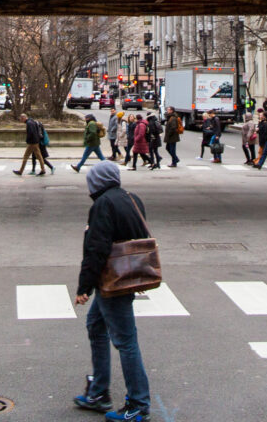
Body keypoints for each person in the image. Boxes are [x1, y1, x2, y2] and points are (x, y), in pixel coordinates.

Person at [72, 161, 152, 421]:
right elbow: (137, 235)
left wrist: (84, 287)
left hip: (112, 282)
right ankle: (98, 393)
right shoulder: (132, 198)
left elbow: (97, 249)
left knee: (126, 341)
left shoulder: (102, 205)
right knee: (96, 326)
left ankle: (139, 404)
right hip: (124, 277)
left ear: (96, 182)